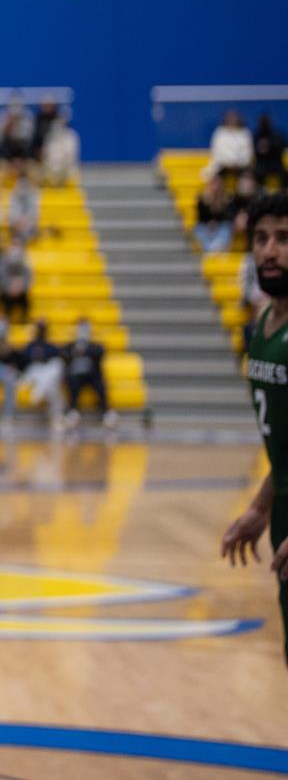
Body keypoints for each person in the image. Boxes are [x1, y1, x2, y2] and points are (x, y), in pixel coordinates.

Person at [220, 192, 288, 666]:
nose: (270, 250)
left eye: (284, 239)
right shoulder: (263, 324)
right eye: (261, 238)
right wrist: (262, 506)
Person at [62, 318, 115, 431]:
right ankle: (72, 411)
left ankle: (107, 412)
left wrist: (84, 350)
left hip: (92, 376)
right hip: (76, 376)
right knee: (73, 383)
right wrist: (74, 352)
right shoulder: (71, 346)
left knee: (100, 385)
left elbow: (101, 352)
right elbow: (62, 353)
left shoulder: (94, 346)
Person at [18, 320, 66, 429]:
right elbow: (23, 363)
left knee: (54, 369)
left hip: (47, 374)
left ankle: (39, 392)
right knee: (51, 385)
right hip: (33, 374)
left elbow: (58, 360)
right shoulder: (30, 346)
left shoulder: (51, 346)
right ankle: (57, 417)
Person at [210, 109, 256, 182]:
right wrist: (230, 163)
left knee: (247, 177)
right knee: (215, 177)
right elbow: (217, 152)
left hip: (241, 166)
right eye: (230, 118)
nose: (232, 120)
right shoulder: (220, 132)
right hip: (223, 165)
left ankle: (243, 193)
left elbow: (248, 152)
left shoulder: (245, 133)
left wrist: (238, 163)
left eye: (234, 118)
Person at [40, 106, 81, 186]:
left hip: (66, 171)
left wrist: (62, 170)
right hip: (51, 171)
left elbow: (72, 157)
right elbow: (47, 153)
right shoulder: (51, 135)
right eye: (61, 117)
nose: (63, 120)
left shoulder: (72, 136)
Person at [0, 239, 34, 324]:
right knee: (4, 300)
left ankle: (24, 320)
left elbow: (28, 278)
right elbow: (1, 277)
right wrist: (9, 286)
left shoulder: (25, 261)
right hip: (7, 291)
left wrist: (21, 286)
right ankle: (5, 320)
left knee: (26, 301)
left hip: (21, 291)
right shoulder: (3, 261)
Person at [196, 176, 236, 253]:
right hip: (205, 225)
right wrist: (207, 204)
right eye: (213, 184)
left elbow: (228, 217)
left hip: (220, 226)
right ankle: (208, 248)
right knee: (198, 228)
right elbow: (200, 217)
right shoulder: (202, 198)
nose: (215, 187)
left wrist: (216, 222)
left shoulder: (227, 199)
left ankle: (217, 247)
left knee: (227, 227)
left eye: (218, 184)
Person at [254, 114, 284, 190]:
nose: (265, 124)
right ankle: (260, 190)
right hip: (262, 163)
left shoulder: (276, 135)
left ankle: (283, 191)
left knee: (283, 173)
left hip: (275, 162)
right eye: (263, 122)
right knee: (257, 172)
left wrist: (270, 145)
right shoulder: (257, 135)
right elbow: (255, 150)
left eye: (266, 122)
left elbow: (281, 147)